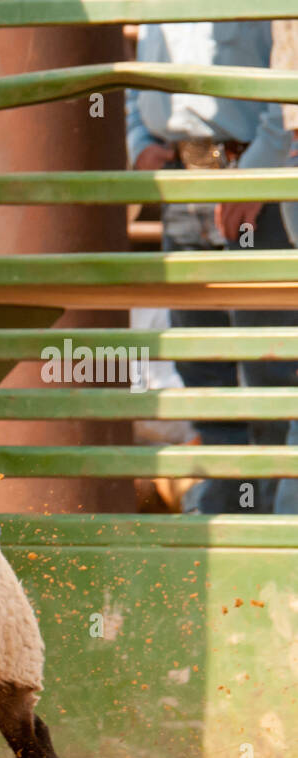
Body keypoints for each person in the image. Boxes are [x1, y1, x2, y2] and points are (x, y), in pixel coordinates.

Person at [126, 20, 298, 514]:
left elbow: (283, 74)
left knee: (268, 365)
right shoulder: (156, 10)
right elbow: (134, 82)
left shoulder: (260, 10)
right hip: (181, 184)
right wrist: (140, 143)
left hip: (246, 183)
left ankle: (267, 527)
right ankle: (224, 514)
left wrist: (257, 175)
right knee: (201, 362)